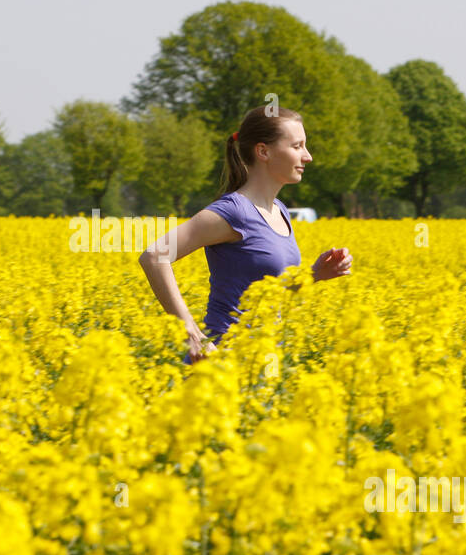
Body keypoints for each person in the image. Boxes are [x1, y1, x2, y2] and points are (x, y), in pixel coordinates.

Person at [138, 105, 352, 365]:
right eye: (297, 146)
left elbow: (266, 292)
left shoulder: (280, 211)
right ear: (263, 151)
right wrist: (192, 335)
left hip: (261, 368)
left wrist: (313, 276)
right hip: (220, 366)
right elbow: (154, 256)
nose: (308, 156)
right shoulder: (234, 211)